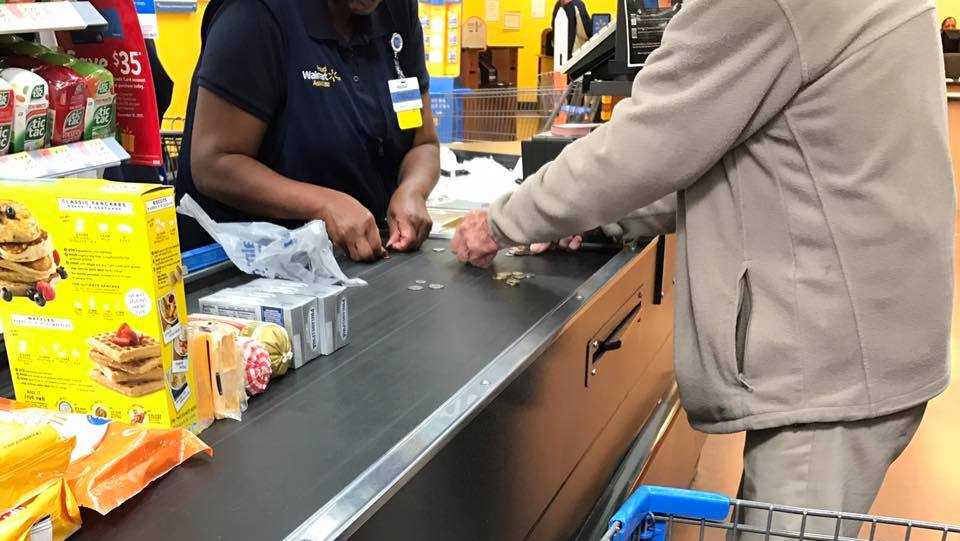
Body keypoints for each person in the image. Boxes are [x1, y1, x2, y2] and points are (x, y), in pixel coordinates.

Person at [453, 0, 953, 536]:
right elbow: (743, 151)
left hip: (831, 366)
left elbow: (645, 146)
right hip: (869, 336)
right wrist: (596, 219)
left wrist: (502, 222)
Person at [175, 0, 439, 261]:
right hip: (244, 267)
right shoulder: (253, 14)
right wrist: (324, 204)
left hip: (353, 261)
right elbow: (212, 163)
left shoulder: (397, 10)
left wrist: (412, 190)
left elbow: (423, 143)